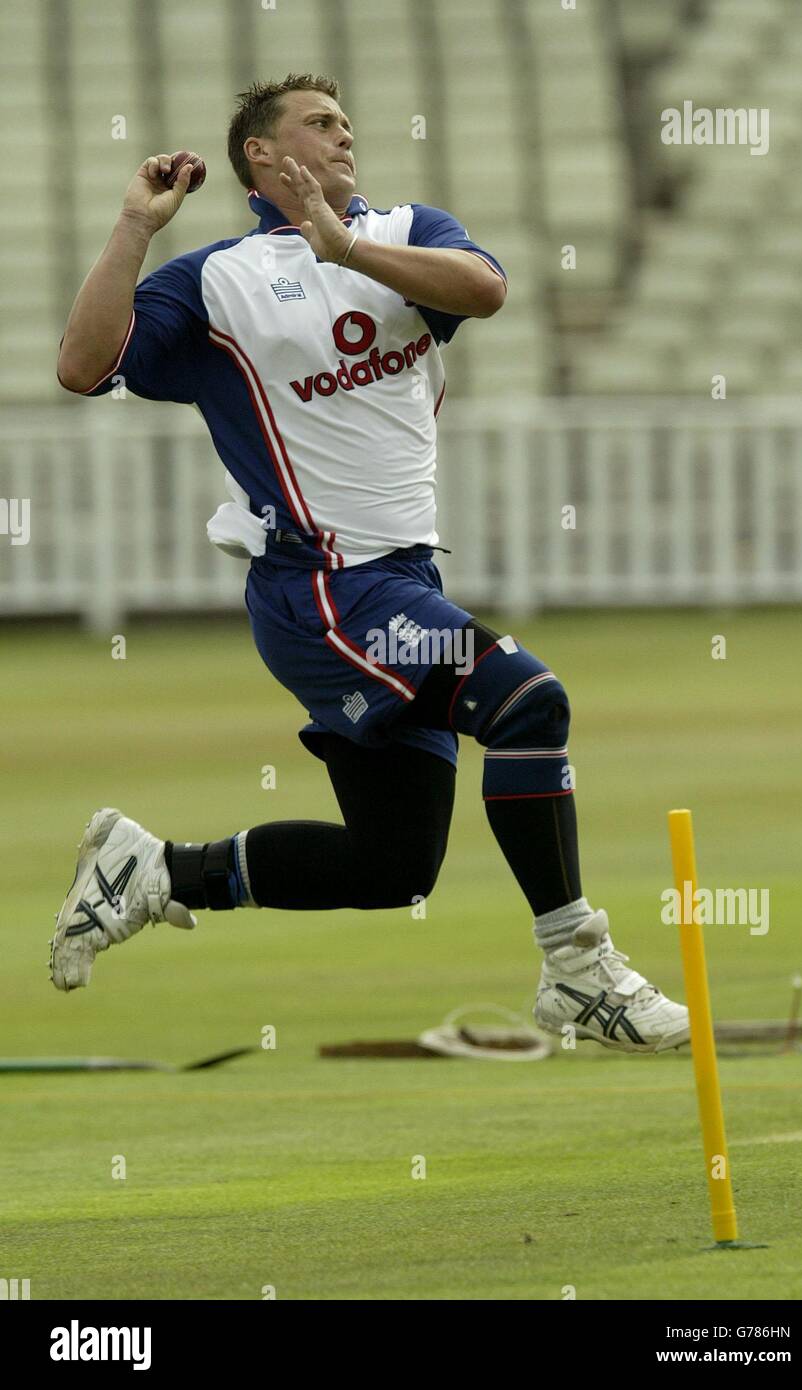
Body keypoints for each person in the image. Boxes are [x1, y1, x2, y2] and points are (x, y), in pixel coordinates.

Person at [51, 73, 688, 1053]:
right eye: (318, 124)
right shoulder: (218, 280)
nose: (344, 137)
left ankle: (157, 871)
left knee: (393, 865)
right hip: (322, 587)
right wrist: (135, 225)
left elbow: (487, 288)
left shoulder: (401, 231)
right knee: (526, 703)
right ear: (261, 156)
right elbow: (83, 366)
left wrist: (344, 246)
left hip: (400, 584)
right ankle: (578, 969)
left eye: (347, 123)